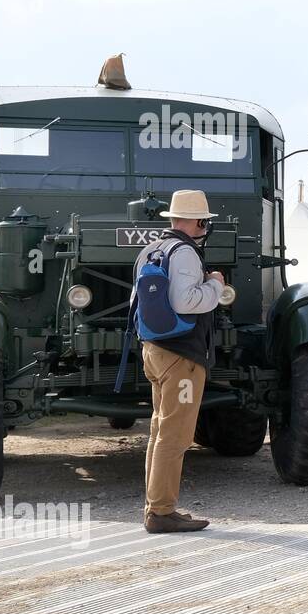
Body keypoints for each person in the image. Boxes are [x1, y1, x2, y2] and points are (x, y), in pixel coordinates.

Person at [134, 190, 226, 534]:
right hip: (182, 355)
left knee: (160, 430)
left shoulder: (151, 249)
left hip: (154, 351)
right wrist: (215, 286)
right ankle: (161, 511)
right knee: (175, 435)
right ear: (199, 221)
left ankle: (155, 506)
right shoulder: (185, 253)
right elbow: (186, 302)